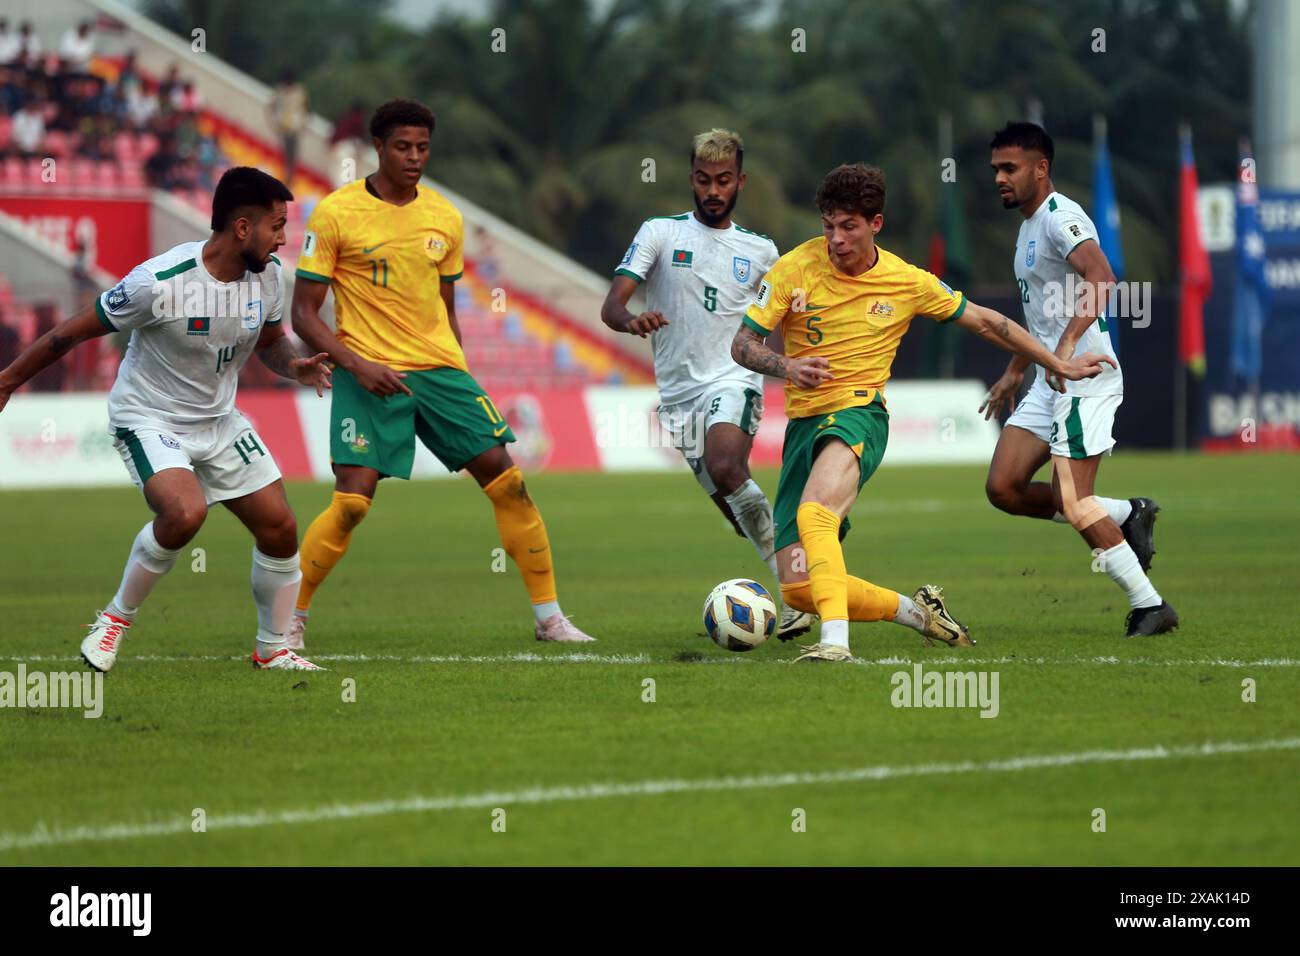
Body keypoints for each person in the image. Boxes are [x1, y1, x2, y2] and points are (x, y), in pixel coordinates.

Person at [731, 163, 1115, 662]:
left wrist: (1056, 361)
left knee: (815, 514)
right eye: (829, 226)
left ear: (876, 224)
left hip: (857, 415)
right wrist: (785, 365)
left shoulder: (905, 281)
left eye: (848, 226)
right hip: (804, 425)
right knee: (800, 591)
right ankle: (919, 614)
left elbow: (990, 323)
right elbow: (742, 345)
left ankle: (835, 645)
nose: (836, 239)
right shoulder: (793, 269)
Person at [289, 98, 595, 648]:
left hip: (440, 372)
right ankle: (293, 617)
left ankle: (550, 619)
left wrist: (460, 372)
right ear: (377, 147)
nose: (414, 157)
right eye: (402, 147)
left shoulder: (444, 217)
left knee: (510, 483)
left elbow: (446, 306)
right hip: (368, 371)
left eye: (423, 147)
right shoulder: (336, 213)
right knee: (353, 502)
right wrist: (356, 364)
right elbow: (303, 313)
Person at [0, 167, 332, 672]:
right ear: (243, 228)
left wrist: (294, 366)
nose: (284, 239)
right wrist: (7, 381)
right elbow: (69, 335)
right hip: (149, 416)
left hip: (219, 421)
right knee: (184, 514)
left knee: (281, 528)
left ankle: (273, 649)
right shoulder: (158, 282)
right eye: (277, 225)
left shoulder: (265, 277)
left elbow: (270, 344)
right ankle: (113, 620)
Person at [601, 127, 812, 640]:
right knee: (735, 504)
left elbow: (789, 317)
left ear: (740, 182)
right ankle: (801, 561)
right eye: (702, 180)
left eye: (723, 181)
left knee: (725, 465)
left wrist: (797, 360)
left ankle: (798, 594)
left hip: (734, 377)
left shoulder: (762, 250)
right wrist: (629, 319)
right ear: (691, 180)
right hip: (677, 398)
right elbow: (611, 305)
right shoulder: (659, 233)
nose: (712, 191)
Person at [981, 121, 1176, 637]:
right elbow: (1041, 317)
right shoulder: (1027, 227)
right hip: (1052, 381)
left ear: (1040, 168)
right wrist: (1014, 370)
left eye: (1010, 168)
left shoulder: (1060, 217)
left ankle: (1150, 605)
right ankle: (1126, 512)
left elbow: (1104, 277)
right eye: (996, 168)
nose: (999, 178)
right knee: (1004, 488)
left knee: (1074, 500)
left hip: (1086, 376)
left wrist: (1065, 350)